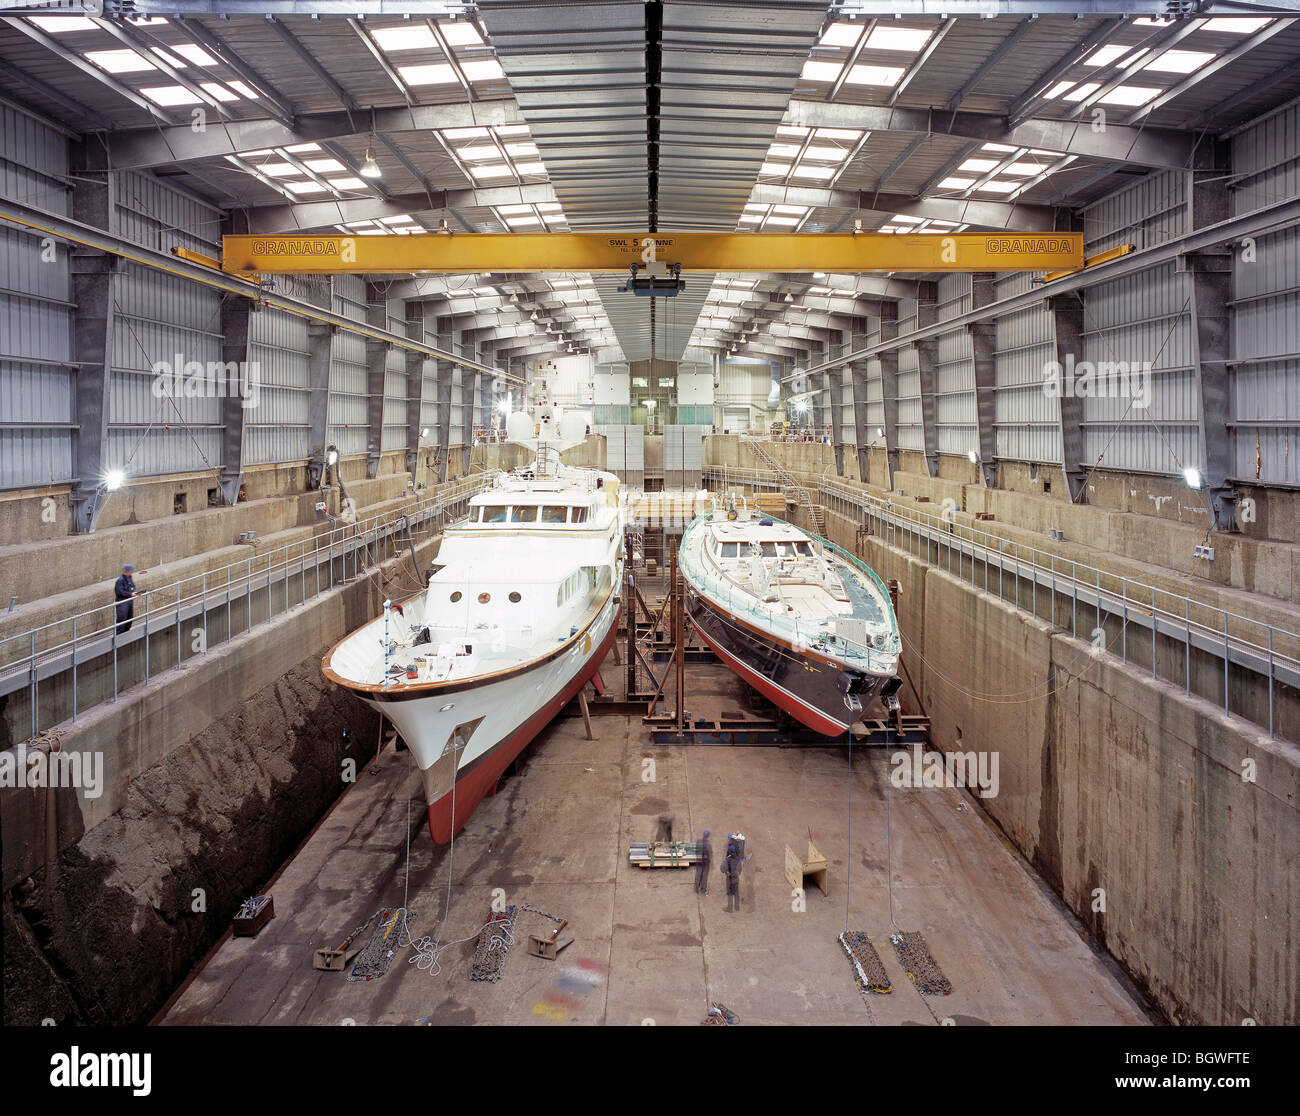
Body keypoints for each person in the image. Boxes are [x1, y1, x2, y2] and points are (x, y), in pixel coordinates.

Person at [114, 564, 138, 635]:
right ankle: (118, 636)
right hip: (122, 602)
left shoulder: (129, 578)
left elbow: (133, 586)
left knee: (129, 617)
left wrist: (135, 592)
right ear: (127, 571)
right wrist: (130, 594)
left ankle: (126, 633)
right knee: (122, 619)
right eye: (131, 571)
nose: (131, 572)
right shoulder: (120, 580)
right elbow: (120, 592)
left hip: (129, 601)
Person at [721, 840, 743, 913]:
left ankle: (730, 909)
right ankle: (737, 907)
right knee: (736, 892)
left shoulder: (728, 860)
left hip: (730, 879)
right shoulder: (738, 859)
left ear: (729, 851)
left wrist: (726, 872)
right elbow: (740, 869)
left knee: (730, 893)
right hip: (736, 878)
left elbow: (722, 868)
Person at [694, 830, 712, 895]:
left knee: (698, 874)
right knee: (704, 876)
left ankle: (696, 889)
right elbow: (710, 854)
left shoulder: (698, 842)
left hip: (699, 861)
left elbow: (695, 851)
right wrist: (710, 861)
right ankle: (703, 890)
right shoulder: (709, 844)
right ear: (708, 836)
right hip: (706, 862)